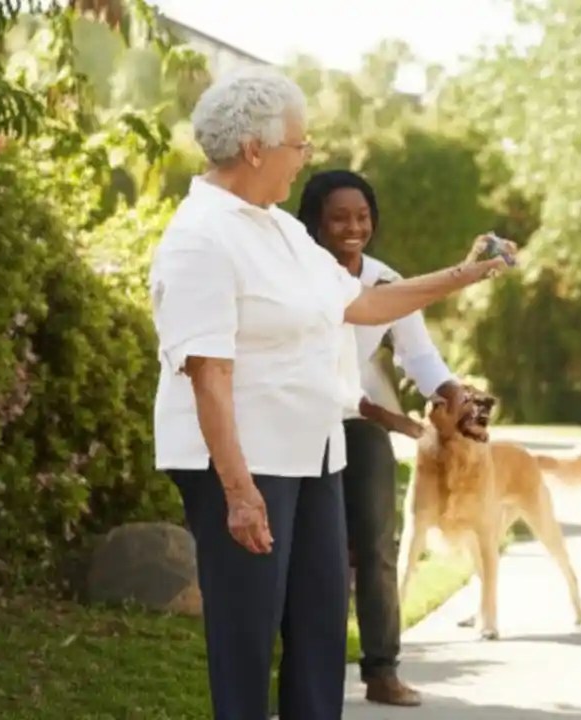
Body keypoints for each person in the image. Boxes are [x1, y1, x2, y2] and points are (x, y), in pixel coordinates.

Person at [149, 67, 514, 720]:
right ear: (256, 149)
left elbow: (367, 303)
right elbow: (209, 374)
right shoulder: (201, 237)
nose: (307, 155)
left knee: (321, 628)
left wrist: (469, 271)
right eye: (299, 142)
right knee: (246, 638)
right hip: (243, 462)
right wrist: (237, 491)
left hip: (315, 453)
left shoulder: (283, 231)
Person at [296, 169, 466, 706]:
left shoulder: (386, 280)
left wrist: (447, 387)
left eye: (362, 216)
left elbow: (418, 352)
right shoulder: (296, 273)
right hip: (298, 420)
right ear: (316, 223)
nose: (353, 227)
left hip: (360, 426)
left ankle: (382, 669)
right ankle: (305, 671)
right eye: (339, 217)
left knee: (375, 545)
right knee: (310, 552)